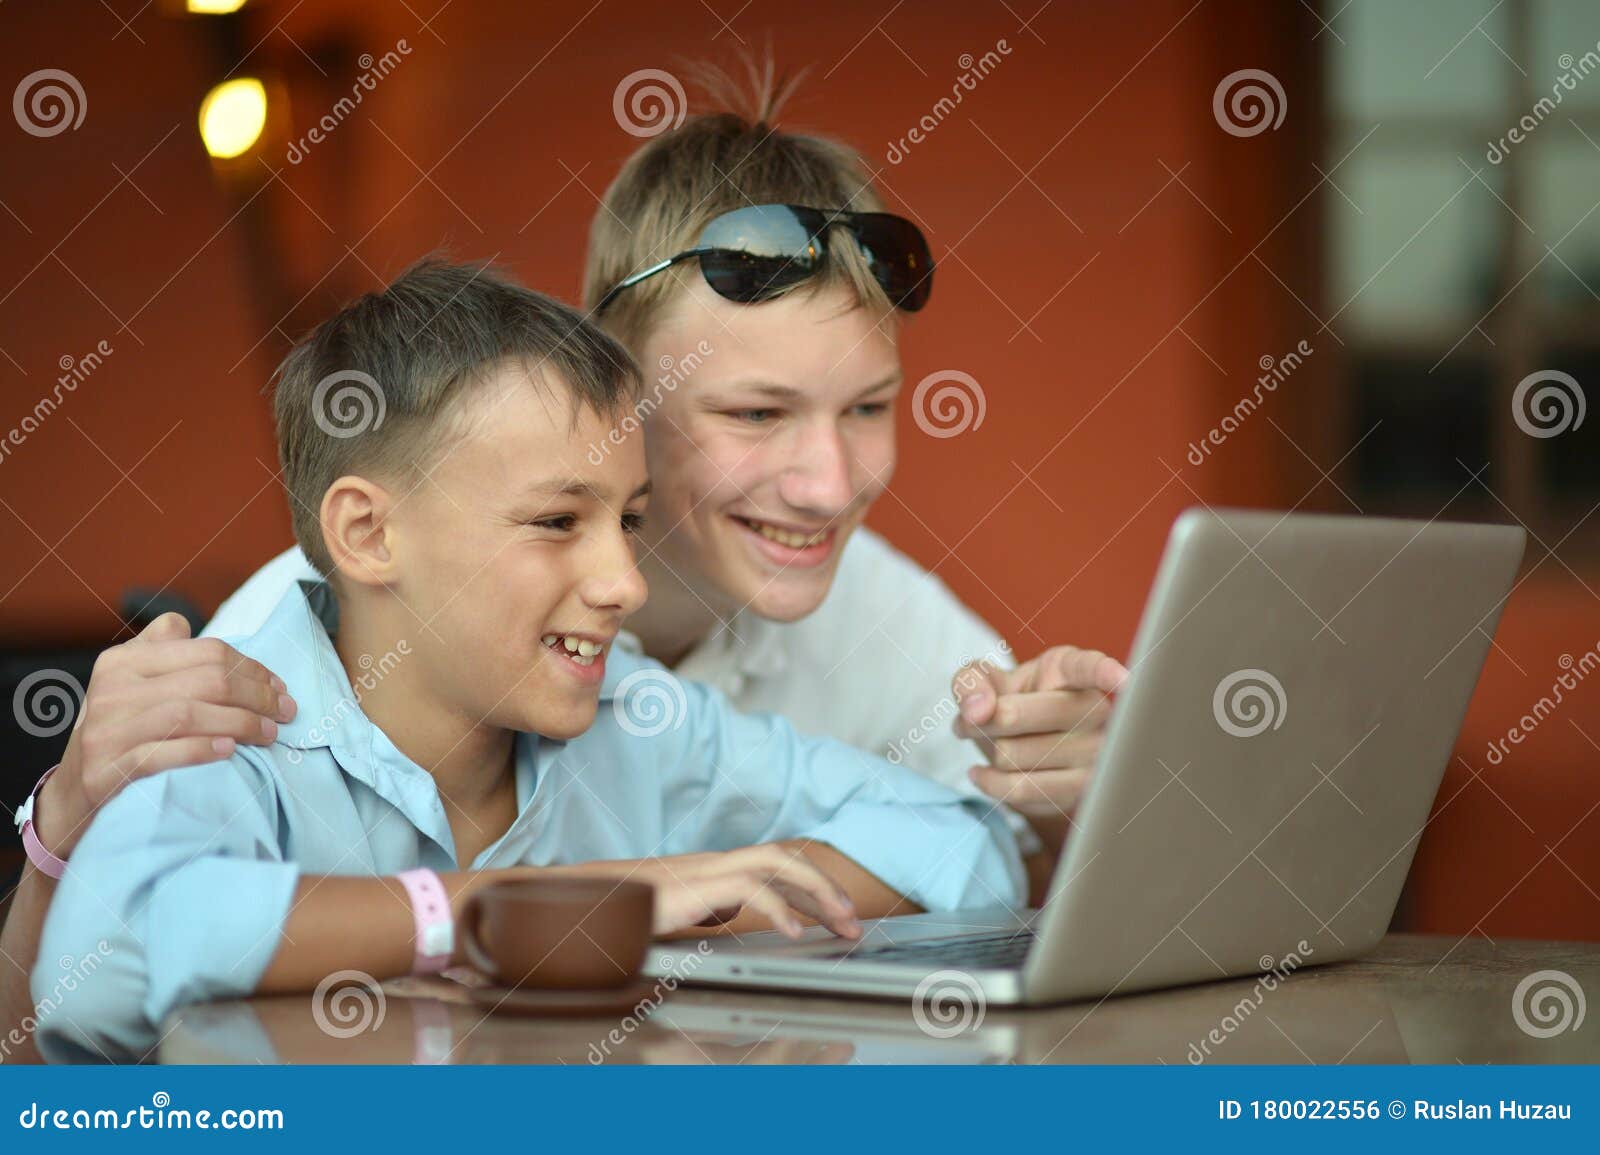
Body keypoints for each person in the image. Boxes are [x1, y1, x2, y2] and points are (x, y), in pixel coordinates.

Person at [3, 71, 1120, 1058]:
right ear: (626, 394)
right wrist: (592, 902)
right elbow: (97, 972)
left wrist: (1094, 780)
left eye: (870, 407)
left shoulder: (640, 704)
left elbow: (979, 847)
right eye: (755, 410)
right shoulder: (249, 690)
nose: (826, 482)